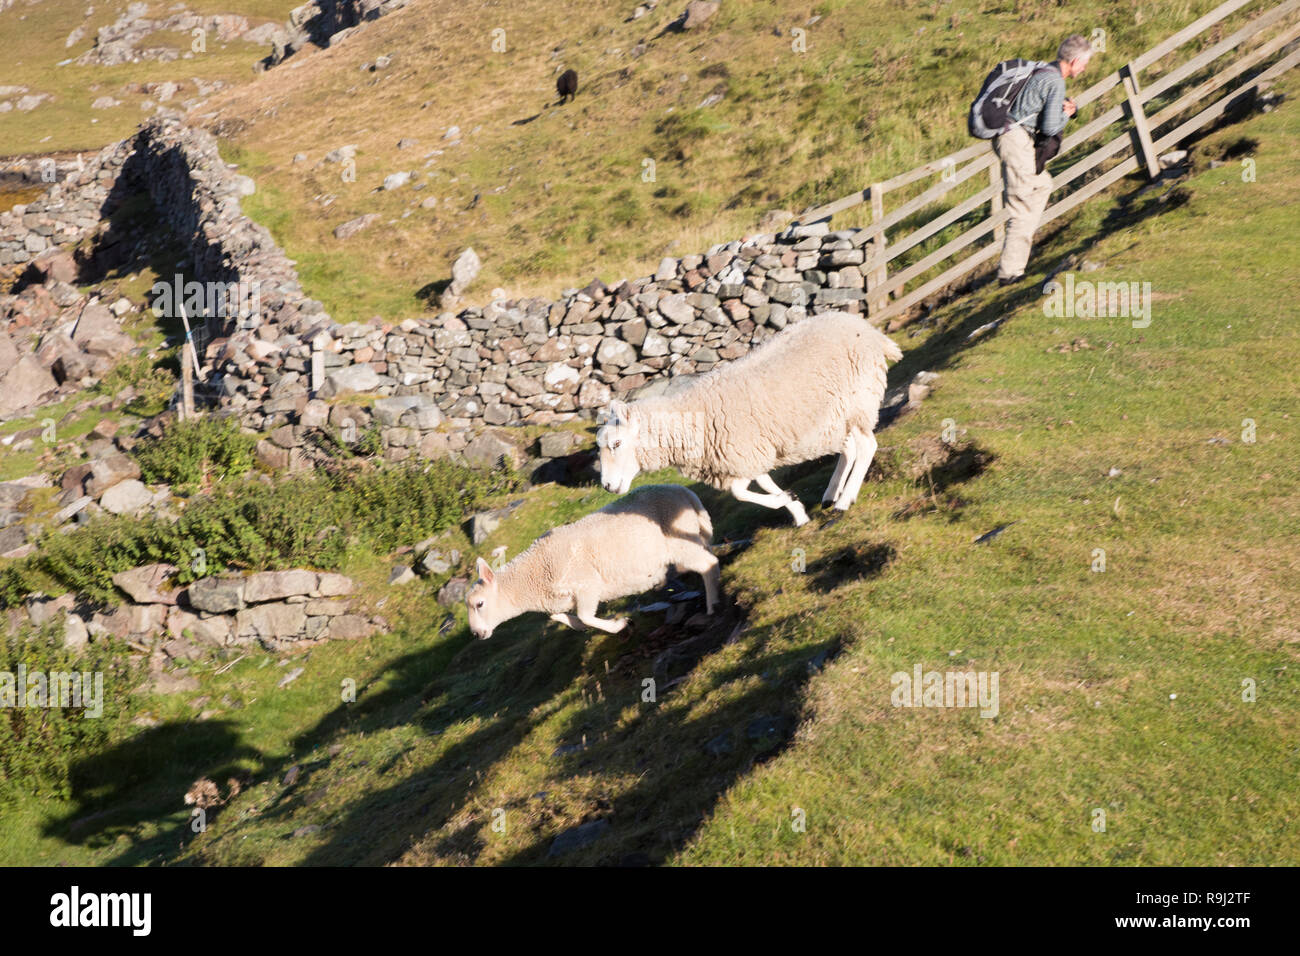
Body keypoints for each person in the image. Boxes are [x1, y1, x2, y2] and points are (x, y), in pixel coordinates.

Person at [994, 34, 1093, 284]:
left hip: (1012, 136)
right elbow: (1049, 127)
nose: (1085, 68)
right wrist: (1069, 114)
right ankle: (1009, 274)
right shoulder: (1056, 81)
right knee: (1021, 205)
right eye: (1085, 62)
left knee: (1043, 184)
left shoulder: (1042, 70)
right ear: (1075, 60)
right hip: (1016, 140)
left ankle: (1020, 252)